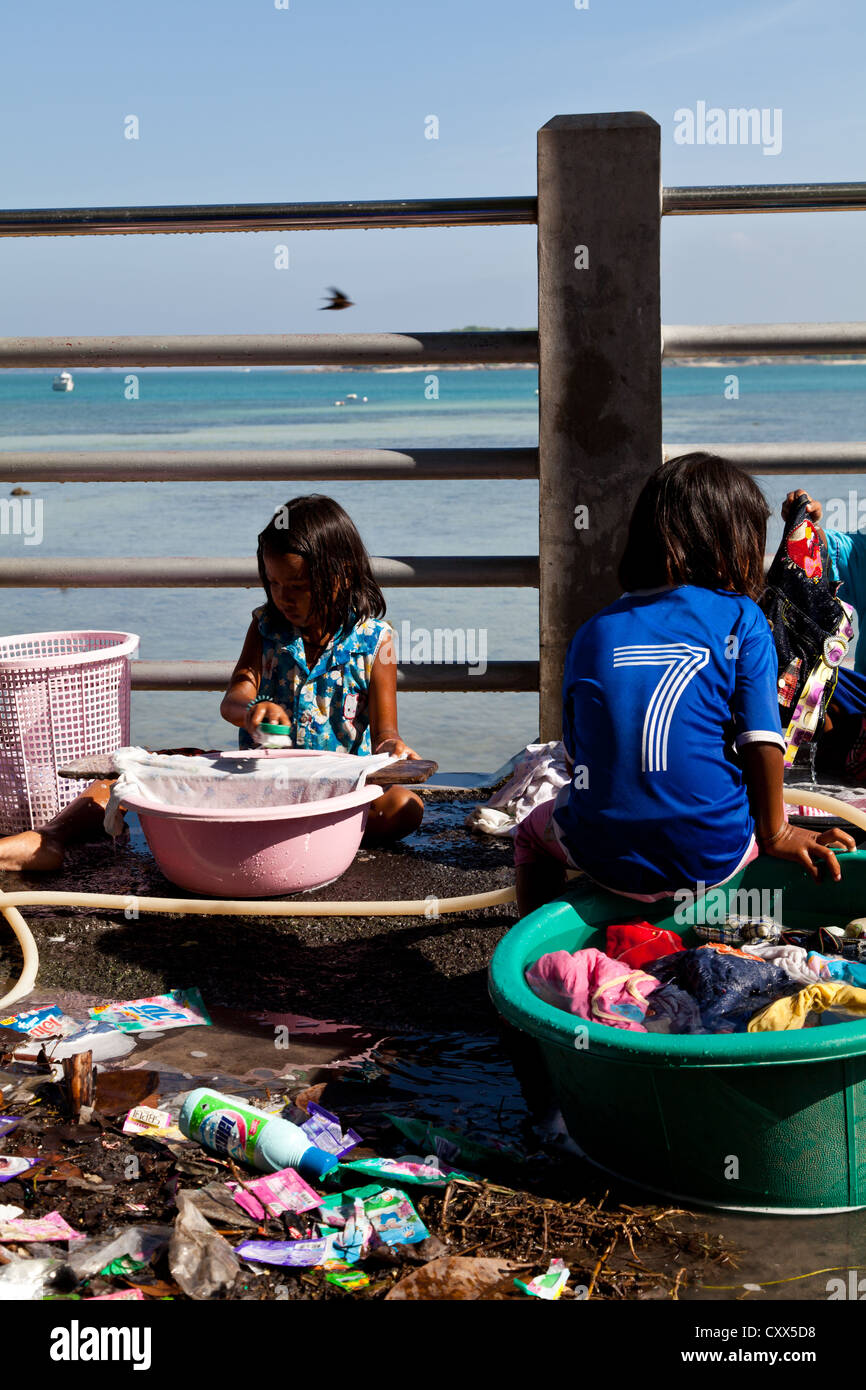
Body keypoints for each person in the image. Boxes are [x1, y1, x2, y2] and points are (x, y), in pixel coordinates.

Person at [514, 454, 854, 918]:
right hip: (712, 858)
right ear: (737, 542)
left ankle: (538, 938)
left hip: (602, 859)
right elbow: (761, 738)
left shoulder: (592, 630)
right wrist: (776, 833)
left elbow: (579, 752)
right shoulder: (742, 616)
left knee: (530, 834)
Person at [220, 494, 423, 844]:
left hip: (342, 789)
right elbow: (233, 700)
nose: (283, 597)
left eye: (298, 587)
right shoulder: (265, 628)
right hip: (268, 784)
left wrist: (394, 749)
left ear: (341, 576)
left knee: (405, 808)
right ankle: (321, 838)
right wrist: (252, 711)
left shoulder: (376, 642)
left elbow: (385, 735)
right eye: (274, 583)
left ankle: (302, 834)